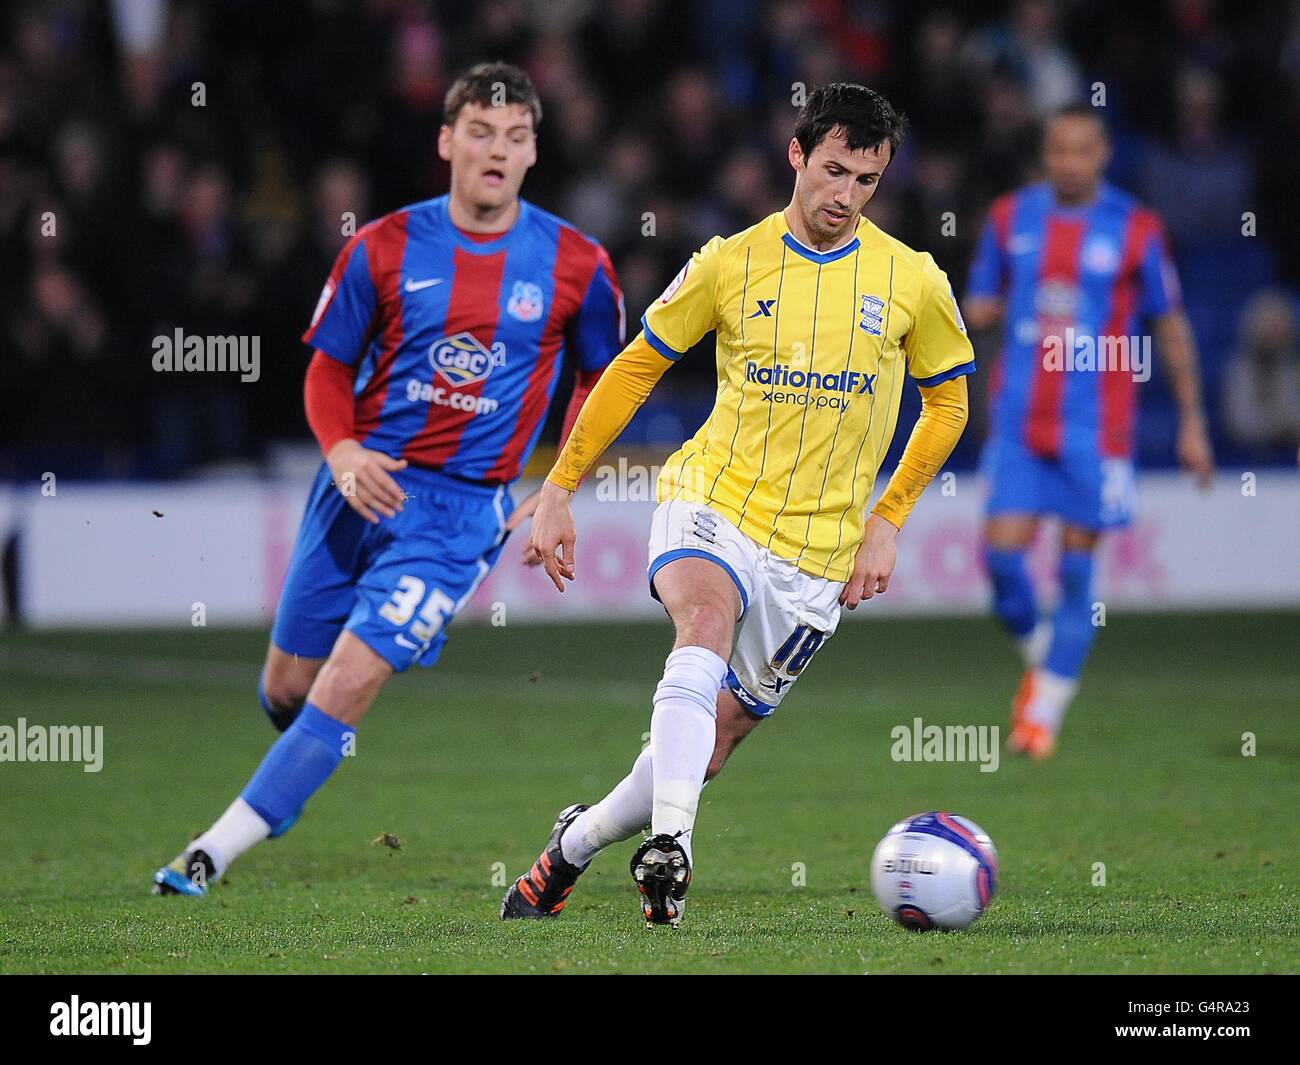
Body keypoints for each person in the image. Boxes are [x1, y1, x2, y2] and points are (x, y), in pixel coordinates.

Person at [502, 83, 973, 927]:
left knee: (704, 749)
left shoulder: (913, 280)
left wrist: (889, 518)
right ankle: (674, 851)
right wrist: (561, 487)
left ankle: (573, 845)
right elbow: (638, 366)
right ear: (795, 155)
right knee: (704, 624)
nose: (846, 195)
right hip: (712, 496)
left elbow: (949, 404)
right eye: (833, 171)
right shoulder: (729, 262)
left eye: (867, 181)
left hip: (819, 555)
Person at [152, 62, 624, 896]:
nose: (497, 150)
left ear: (533, 153)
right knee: (289, 689)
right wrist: (339, 450)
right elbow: (328, 368)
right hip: (359, 483)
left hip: (460, 516)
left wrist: (558, 487)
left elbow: (600, 381)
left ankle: (208, 852)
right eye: (480, 132)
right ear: (447, 141)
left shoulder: (578, 265)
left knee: (350, 678)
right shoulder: (384, 246)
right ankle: (305, 753)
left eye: (515, 138)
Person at [963, 103, 1214, 760]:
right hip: (1018, 420)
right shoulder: (1009, 218)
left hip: (1096, 429)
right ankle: (1047, 660)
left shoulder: (1135, 228)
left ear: (1102, 154)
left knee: (1077, 571)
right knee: (1000, 561)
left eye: (1082, 149)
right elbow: (979, 297)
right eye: (1058, 149)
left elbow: (1171, 322)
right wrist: (978, 310)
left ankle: (1040, 715)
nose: (1069, 161)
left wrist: (1191, 420)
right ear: (1045, 154)